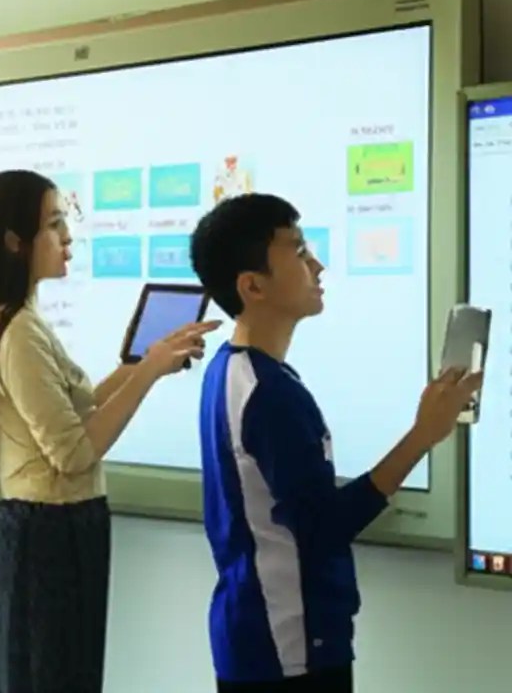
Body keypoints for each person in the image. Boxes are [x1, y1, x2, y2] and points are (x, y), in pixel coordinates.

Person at [189, 193, 482, 693]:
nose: (318, 265)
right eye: (300, 252)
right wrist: (423, 435)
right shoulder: (269, 394)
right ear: (253, 285)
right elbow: (323, 526)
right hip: (289, 646)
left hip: (258, 635)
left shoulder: (234, 371)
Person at [0, 169, 217, 693]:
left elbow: (84, 403)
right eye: (54, 224)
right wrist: (149, 370)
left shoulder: (24, 321)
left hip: (59, 527)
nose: (68, 237)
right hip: (44, 532)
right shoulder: (18, 332)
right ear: (14, 241)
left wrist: (147, 357)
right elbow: (73, 452)